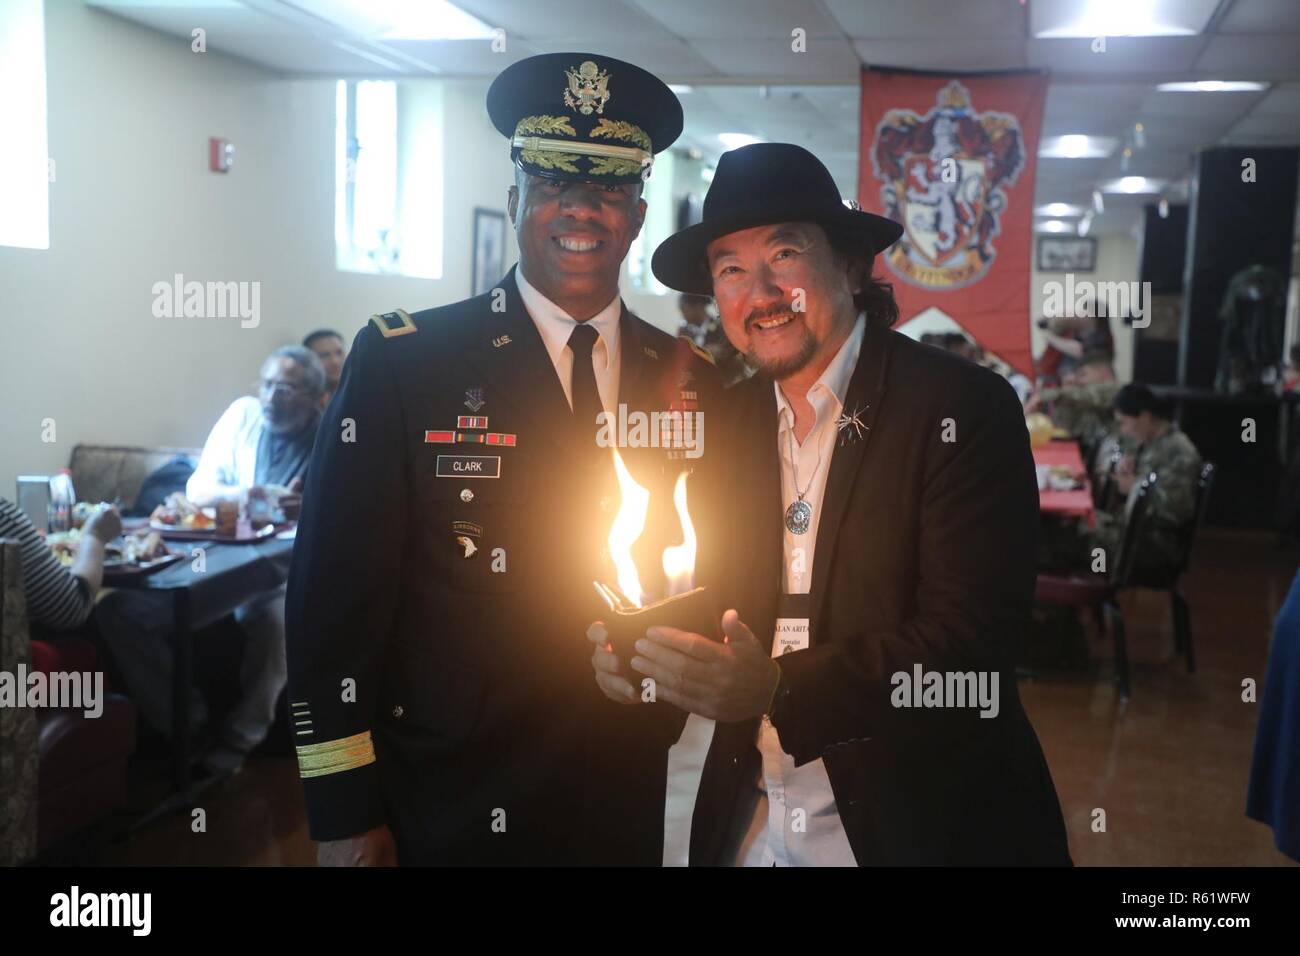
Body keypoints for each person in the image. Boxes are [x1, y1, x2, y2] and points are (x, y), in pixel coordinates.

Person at [286, 52, 723, 866]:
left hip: (620, 781)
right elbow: (330, 609)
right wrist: (342, 808)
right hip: (449, 791)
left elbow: (707, 571)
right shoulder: (407, 362)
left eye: (608, 187)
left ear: (637, 210)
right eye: (555, 182)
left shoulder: (692, 380)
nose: (580, 209)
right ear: (518, 194)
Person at [590, 143, 1070, 865]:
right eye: (730, 269)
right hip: (757, 824)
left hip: (917, 825)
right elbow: (715, 603)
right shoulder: (725, 423)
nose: (760, 292)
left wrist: (782, 688)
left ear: (847, 264)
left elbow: (973, 648)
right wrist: (646, 659)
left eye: (784, 254)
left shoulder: (957, 408)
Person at [96, 345, 324, 776]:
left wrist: (309, 506)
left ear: (317, 397)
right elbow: (199, 489)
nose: (273, 398)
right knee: (118, 612)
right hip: (211, 563)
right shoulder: (243, 415)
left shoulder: (330, 434)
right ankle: (188, 725)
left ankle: (240, 740)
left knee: (276, 626)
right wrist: (264, 498)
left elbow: (341, 514)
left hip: (282, 574)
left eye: (288, 389)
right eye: (268, 384)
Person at [1094, 383, 1202, 574]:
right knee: (1073, 522)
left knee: (1072, 535)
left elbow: (1177, 511)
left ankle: (1082, 584)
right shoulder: (1151, 441)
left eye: (1124, 422)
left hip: (1150, 545)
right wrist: (1127, 467)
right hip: (1132, 531)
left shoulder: (1179, 452)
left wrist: (1134, 487)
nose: (1124, 430)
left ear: (1145, 416)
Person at [0, 497, 120, 631]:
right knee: (118, 606)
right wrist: (96, 535)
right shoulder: (4, 516)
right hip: (31, 646)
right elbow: (70, 609)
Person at [303, 329, 348, 407]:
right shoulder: (302, 404)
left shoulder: (360, 393)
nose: (335, 361)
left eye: (339, 353)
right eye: (325, 355)